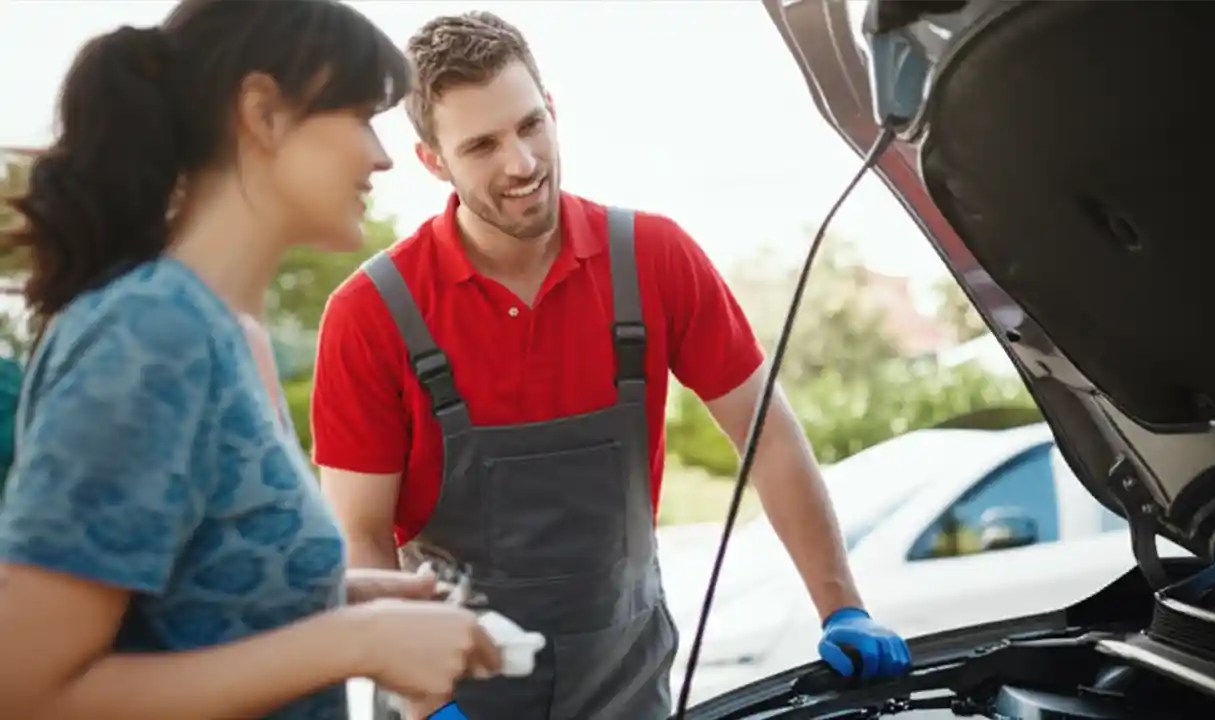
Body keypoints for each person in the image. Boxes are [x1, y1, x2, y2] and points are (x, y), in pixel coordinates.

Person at [311, 10, 911, 719]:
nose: (522, 163)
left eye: (531, 125)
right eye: (482, 145)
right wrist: (420, 698)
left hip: (625, 685)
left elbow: (768, 438)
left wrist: (840, 607)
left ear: (553, 109)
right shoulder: (373, 314)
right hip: (452, 693)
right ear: (433, 161)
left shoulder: (653, 260)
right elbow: (360, 534)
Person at [0, 2, 502, 719]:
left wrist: (347, 597)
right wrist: (355, 639)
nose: (381, 155)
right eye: (360, 116)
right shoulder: (150, 334)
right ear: (263, 112)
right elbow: (25, 692)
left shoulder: (234, 340)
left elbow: (187, 605)